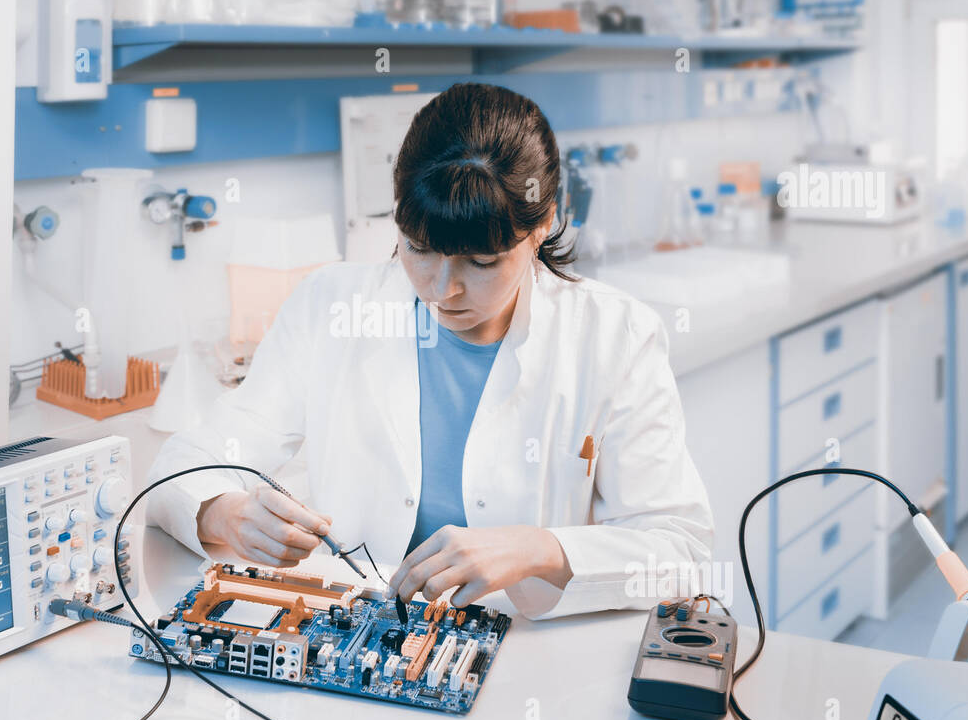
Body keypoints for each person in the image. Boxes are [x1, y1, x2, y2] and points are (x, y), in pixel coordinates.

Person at [146, 83, 712, 619]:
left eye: (482, 262)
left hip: (526, 656)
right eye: (419, 249)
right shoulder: (329, 306)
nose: (444, 289)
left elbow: (681, 552)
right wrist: (227, 512)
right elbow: (183, 464)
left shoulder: (616, 338)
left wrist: (540, 549)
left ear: (545, 222)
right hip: (363, 647)